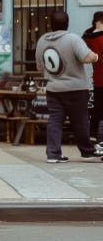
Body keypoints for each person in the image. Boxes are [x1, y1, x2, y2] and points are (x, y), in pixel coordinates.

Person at [36, 10, 103, 163]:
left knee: (55, 121)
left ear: (50, 24)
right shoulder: (73, 39)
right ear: (67, 24)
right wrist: (96, 56)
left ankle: (53, 154)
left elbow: (40, 66)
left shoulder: (42, 41)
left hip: (53, 89)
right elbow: (87, 57)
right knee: (80, 121)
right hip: (76, 89)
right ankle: (86, 151)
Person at [82, 11, 103, 145]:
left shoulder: (87, 38)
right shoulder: (100, 38)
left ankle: (93, 137)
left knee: (98, 110)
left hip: (98, 79)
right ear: (99, 22)